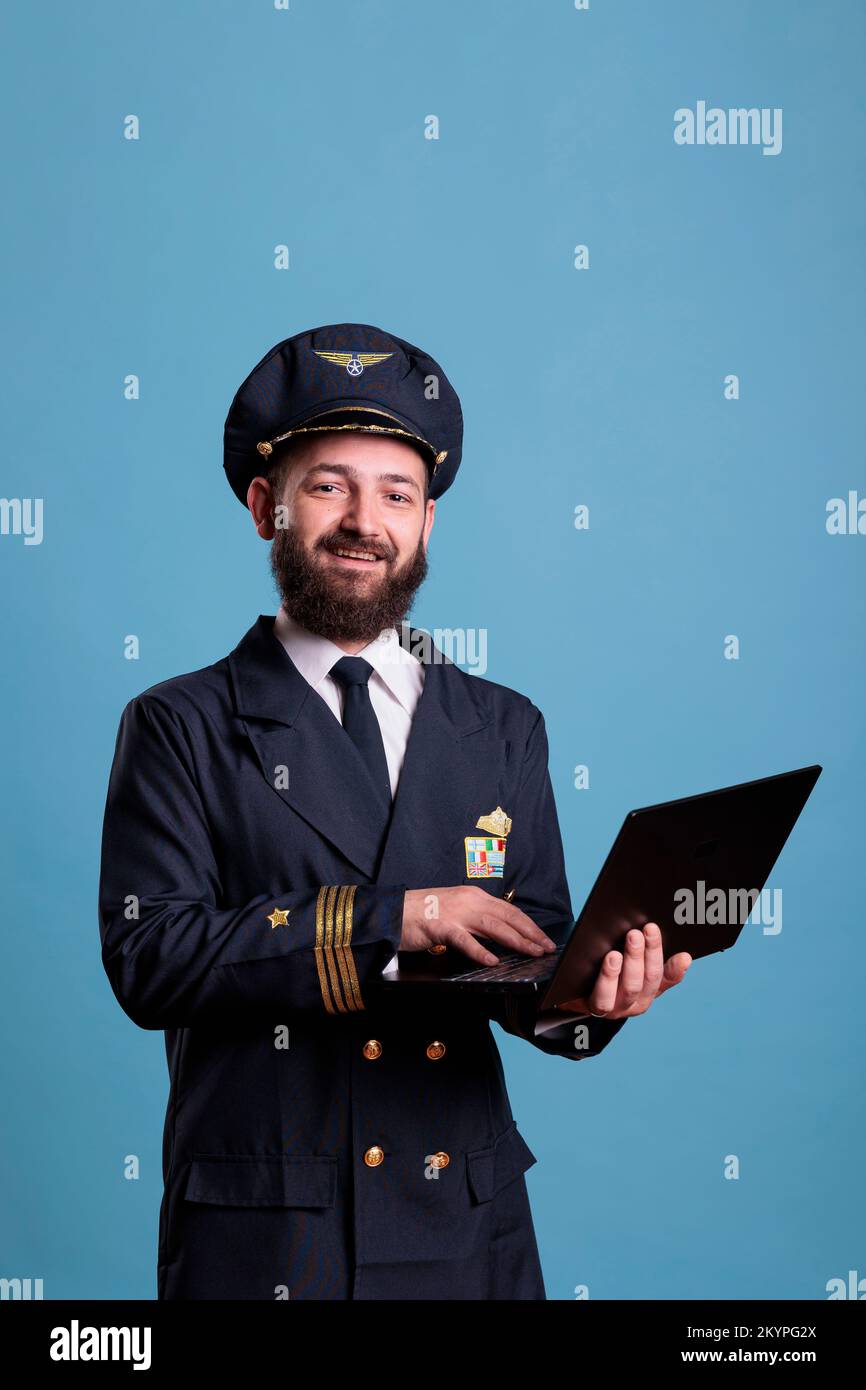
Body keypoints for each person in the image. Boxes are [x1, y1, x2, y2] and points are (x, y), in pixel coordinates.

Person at [98, 322, 691, 1301]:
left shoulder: (502, 725)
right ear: (264, 507)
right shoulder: (179, 723)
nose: (361, 519)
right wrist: (396, 918)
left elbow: (525, 959)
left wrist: (589, 1001)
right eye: (327, 484)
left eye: (396, 493)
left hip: (465, 1228)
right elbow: (149, 959)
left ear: (424, 523)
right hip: (270, 1242)